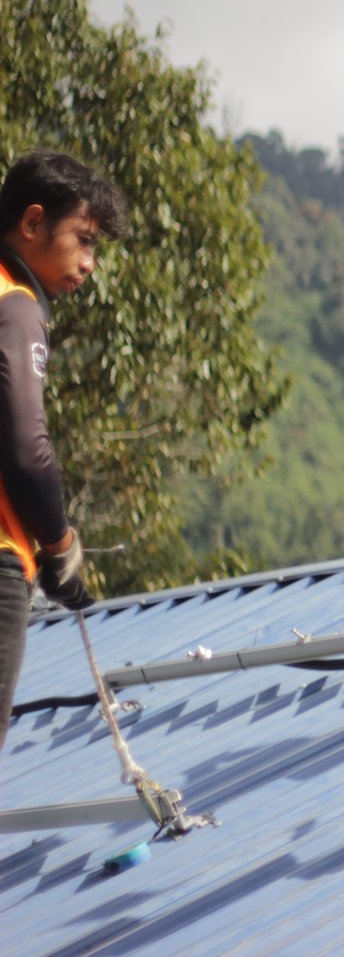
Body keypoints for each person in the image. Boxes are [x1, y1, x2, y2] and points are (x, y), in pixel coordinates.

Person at [1, 151, 127, 749]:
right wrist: (60, 547)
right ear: (32, 222)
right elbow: (27, 448)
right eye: (84, 240)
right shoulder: (14, 306)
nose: (89, 263)